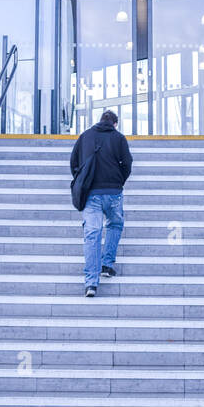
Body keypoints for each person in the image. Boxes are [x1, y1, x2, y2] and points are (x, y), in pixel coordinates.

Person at [70, 109, 132, 297]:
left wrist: (84, 181)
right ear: (115, 123)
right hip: (113, 192)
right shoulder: (119, 138)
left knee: (92, 234)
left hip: (92, 194)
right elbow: (127, 164)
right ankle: (107, 264)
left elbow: (74, 162)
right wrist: (118, 181)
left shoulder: (85, 136)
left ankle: (91, 284)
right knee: (115, 224)